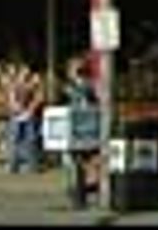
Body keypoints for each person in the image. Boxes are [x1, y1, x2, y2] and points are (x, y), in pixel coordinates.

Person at [63, 56, 99, 209]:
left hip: (87, 127)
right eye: (75, 69)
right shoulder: (69, 86)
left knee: (87, 159)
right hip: (73, 127)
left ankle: (83, 191)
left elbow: (94, 100)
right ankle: (77, 193)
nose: (78, 72)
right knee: (74, 161)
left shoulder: (88, 85)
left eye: (80, 69)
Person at [5, 64, 43, 174]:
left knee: (30, 140)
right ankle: (13, 164)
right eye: (23, 73)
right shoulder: (14, 85)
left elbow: (39, 98)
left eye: (27, 74)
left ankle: (31, 164)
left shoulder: (33, 86)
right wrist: (16, 107)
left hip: (28, 116)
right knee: (14, 140)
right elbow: (11, 99)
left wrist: (31, 108)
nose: (25, 75)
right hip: (17, 115)